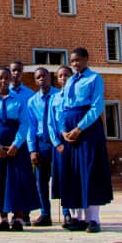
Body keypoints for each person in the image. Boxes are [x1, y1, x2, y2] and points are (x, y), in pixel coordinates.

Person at [58, 48, 113, 233]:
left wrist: (79, 128)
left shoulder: (94, 78)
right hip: (69, 128)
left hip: (87, 129)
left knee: (90, 171)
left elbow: (97, 106)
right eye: (72, 61)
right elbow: (63, 106)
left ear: (86, 59)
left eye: (78, 60)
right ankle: (76, 217)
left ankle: (93, 219)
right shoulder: (69, 81)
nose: (75, 64)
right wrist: (64, 130)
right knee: (73, 172)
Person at [0, 67, 38, 230]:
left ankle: (19, 218)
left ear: (10, 80)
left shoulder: (19, 100)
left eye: (6, 78)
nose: (3, 81)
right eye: (0, 78)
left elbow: (25, 123)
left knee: (17, 180)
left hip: (16, 146)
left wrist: (16, 144)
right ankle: (3, 219)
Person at [26, 67, 57, 227]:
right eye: (38, 77)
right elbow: (30, 127)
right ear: (35, 80)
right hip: (41, 143)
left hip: (57, 143)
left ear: (49, 77)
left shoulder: (59, 96)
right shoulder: (32, 101)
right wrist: (32, 149)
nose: (41, 79)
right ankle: (45, 214)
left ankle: (67, 214)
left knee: (61, 179)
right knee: (41, 181)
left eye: (44, 76)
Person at [49, 65, 76, 228]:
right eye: (60, 76)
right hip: (60, 141)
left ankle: (79, 213)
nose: (64, 78)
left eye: (67, 75)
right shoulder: (54, 98)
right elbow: (50, 123)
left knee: (76, 176)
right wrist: (57, 143)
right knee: (63, 177)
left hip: (75, 139)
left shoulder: (77, 96)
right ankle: (66, 213)